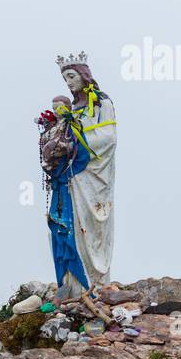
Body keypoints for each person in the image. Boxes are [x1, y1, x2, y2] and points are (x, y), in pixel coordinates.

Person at [44, 53, 117, 299]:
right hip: (70, 178)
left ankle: (95, 283)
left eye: (71, 76)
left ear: (84, 76)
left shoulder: (101, 104)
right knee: (65, 223)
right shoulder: (72, 109)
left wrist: (76, 143)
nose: (68, 83)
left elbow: (109, 137)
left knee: (91, 228)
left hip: (92, 177)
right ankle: (72, 284)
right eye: (65, 78)